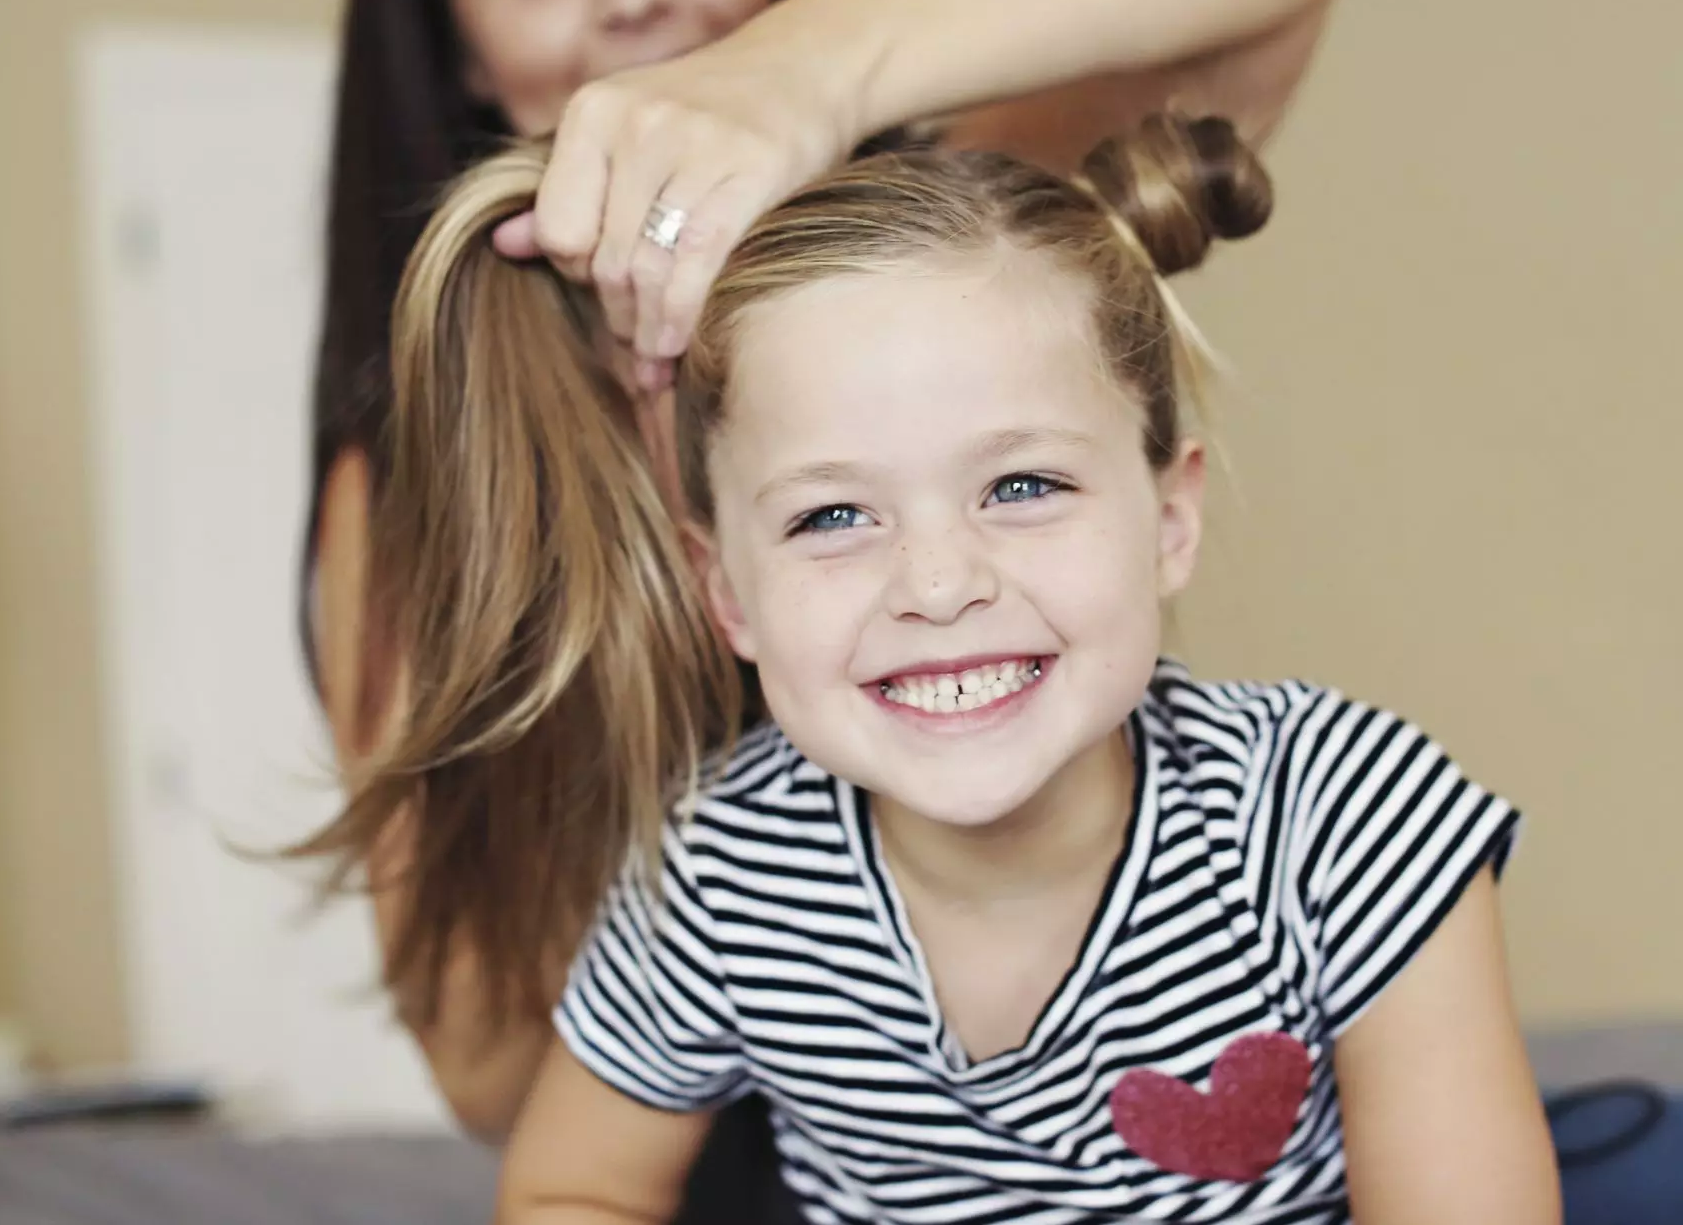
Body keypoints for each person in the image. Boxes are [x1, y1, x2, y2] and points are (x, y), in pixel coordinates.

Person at [301, 0, 1683, 1220]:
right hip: (804, 1142)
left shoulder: (986, 213)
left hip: (1263, 1107)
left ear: (1164, 500)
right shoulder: (667, 800)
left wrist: (795, 82)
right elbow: (520, 1108)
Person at [345, 111, 1566, 1224]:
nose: (938, 585)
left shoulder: (1340, 815)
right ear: (728, 591)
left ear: (1170, 515)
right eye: (833, 517)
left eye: (1022, 486)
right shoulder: (719, 874)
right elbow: (575, 1187)